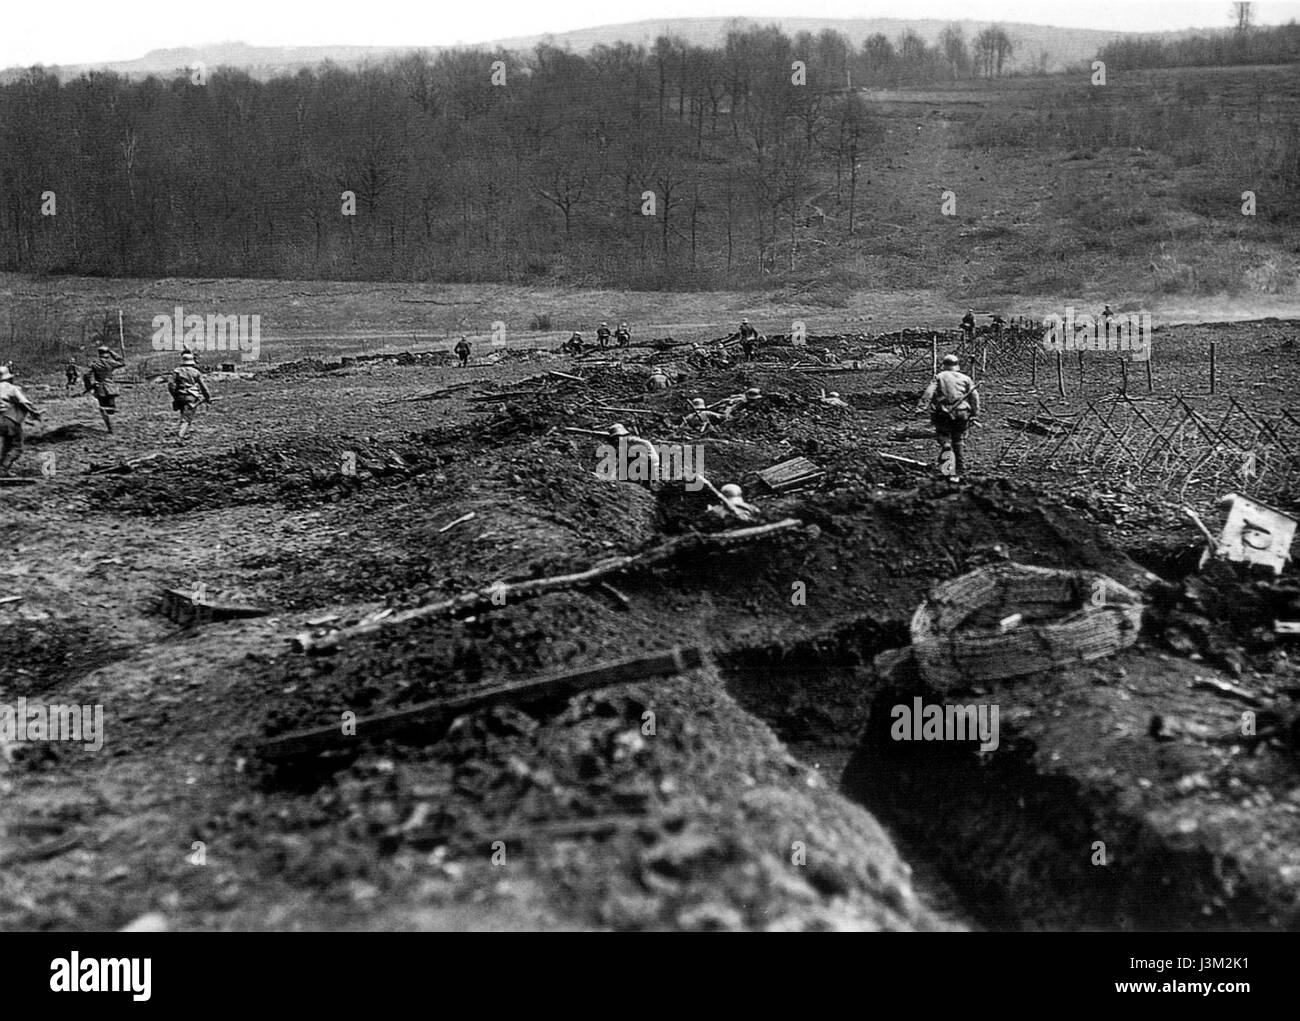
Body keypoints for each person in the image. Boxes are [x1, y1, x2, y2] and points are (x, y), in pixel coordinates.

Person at [917, 353, 980, 480]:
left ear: (944, 365)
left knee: (944, 437)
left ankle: (947, 468)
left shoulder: (939, 377)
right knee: (958, 440)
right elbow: (974, 397)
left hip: (943, 412)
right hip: (962, 412)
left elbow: (928, 393)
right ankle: (960, 470)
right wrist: (974, 414)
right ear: (957, 366)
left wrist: (921, 408)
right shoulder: (965, 378)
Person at [0, 365, 41, 472]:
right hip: (9, 419)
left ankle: (3, 469)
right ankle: (4, 468)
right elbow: (23, 402)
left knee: (6, 445)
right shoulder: (11, 388)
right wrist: (34, 412)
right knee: (17, 446)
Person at [168, 351, 212, 442]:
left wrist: (175, 396)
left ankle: (181, 433)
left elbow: (171, 384)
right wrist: (208, 398)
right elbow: (204, 387)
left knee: (183, 415)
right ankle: (179, 437)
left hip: (179, 396)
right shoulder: (196, 372)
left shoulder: (176, 371)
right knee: (186, 419)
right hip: (191, 397)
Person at [84, 345, 124, 433]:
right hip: (110, 387)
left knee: (103, 408)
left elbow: (86, 376)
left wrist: (90, 387)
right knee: (111, 409)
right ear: (107, 354)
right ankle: (113, 426)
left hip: (100, 388)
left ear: (99, 354)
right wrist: (112, 352)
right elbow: (122, 361)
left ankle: (110, 428)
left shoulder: (94, 364)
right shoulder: (110, 362)